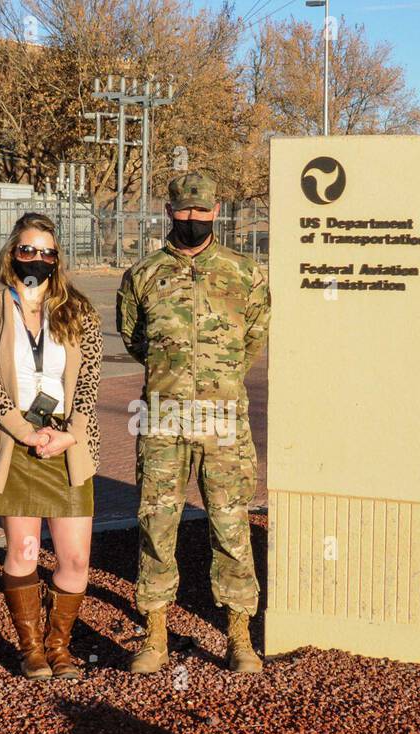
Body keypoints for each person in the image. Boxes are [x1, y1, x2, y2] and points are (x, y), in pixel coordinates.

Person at [116, 170, 270, 675]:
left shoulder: (245, 274)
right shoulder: (143, 275)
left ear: (217, 212)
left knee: (230, 523)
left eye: (202, 211)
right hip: (162, 419)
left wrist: (216, 382)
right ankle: (155, 631)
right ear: (169, 212)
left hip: (222, 420)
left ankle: (239, 634)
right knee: (157, 524)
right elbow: (135, 341)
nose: (192, 219)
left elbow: (253, 339)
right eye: (183, 211)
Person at [0, 213, 102, 680]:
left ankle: (59, 644)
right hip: (14, 442)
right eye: (28, 250)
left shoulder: (78, 310)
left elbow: (88, 381)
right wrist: (23, 431)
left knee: (76, 558)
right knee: (24, 552)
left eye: (47, 252)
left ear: (57, 259)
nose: (38, 259)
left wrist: (71, 431)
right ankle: (30, 647)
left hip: (67, 444)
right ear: (12, 254)